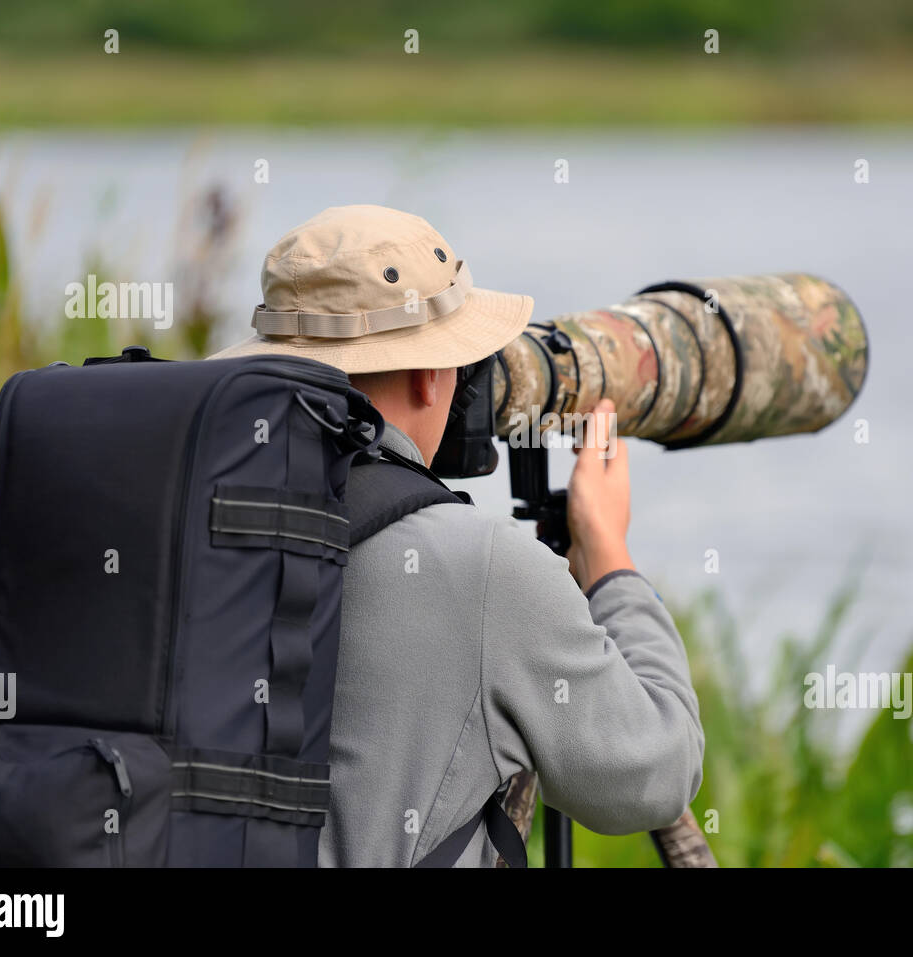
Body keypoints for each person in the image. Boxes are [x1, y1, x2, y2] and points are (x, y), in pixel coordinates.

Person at [210, 205, 703, 866]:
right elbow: (655, 772)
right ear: (432, 373)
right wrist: (608, 553)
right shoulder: (484, 569)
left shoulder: (200, 512)